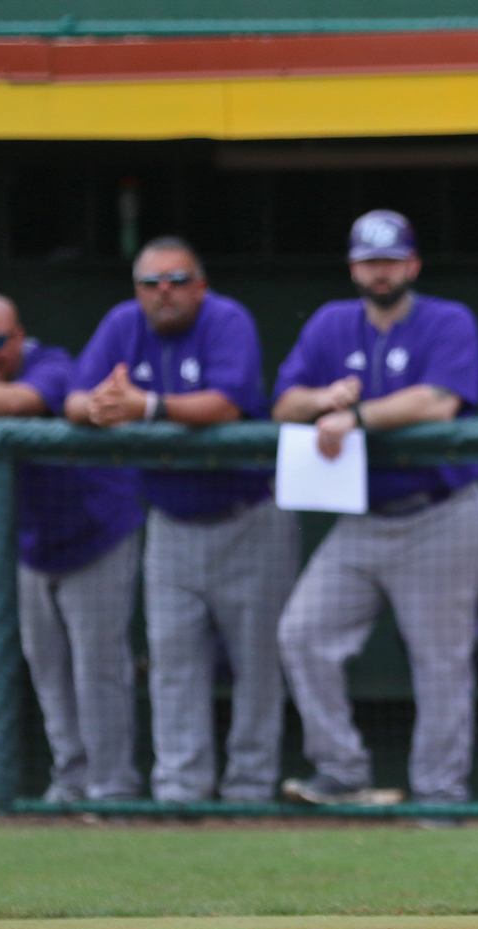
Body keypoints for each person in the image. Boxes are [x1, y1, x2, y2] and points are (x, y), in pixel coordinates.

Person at [273, 210, 478, 810]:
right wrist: (324, 398)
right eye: (370, 262)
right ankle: (341, 770)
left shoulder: (447, 320)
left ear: (412, 265)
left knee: (440, 662)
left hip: (440, 513)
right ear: (353, 268)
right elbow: (284, 403)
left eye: (391, 260)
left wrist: (357, 416)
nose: (380, 272)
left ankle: (439, 794)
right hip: (363, 518)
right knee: (301, 632)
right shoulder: (329, 325)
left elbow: (440, 401)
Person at [69, 237, 299, 805]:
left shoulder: (226, 319)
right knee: (172, 663)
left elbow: (225, 403)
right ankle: (181, 791)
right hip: (170, 523)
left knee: (258, 666)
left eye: (175, 281)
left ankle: (248, 792)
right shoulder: (124, 324)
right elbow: (75, 399)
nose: (162, 293)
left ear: (200, 285)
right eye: (150, 283)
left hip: (250, 516)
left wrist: (144, 406)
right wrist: (95, 408)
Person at [0, 292, 145, 803]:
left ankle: (112, 790)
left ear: (19, 337)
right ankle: (71, 781)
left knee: (97, 668)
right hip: (31, 545)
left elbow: (19, 403)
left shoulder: (53, 364)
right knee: (45, 667)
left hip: (96, 531)